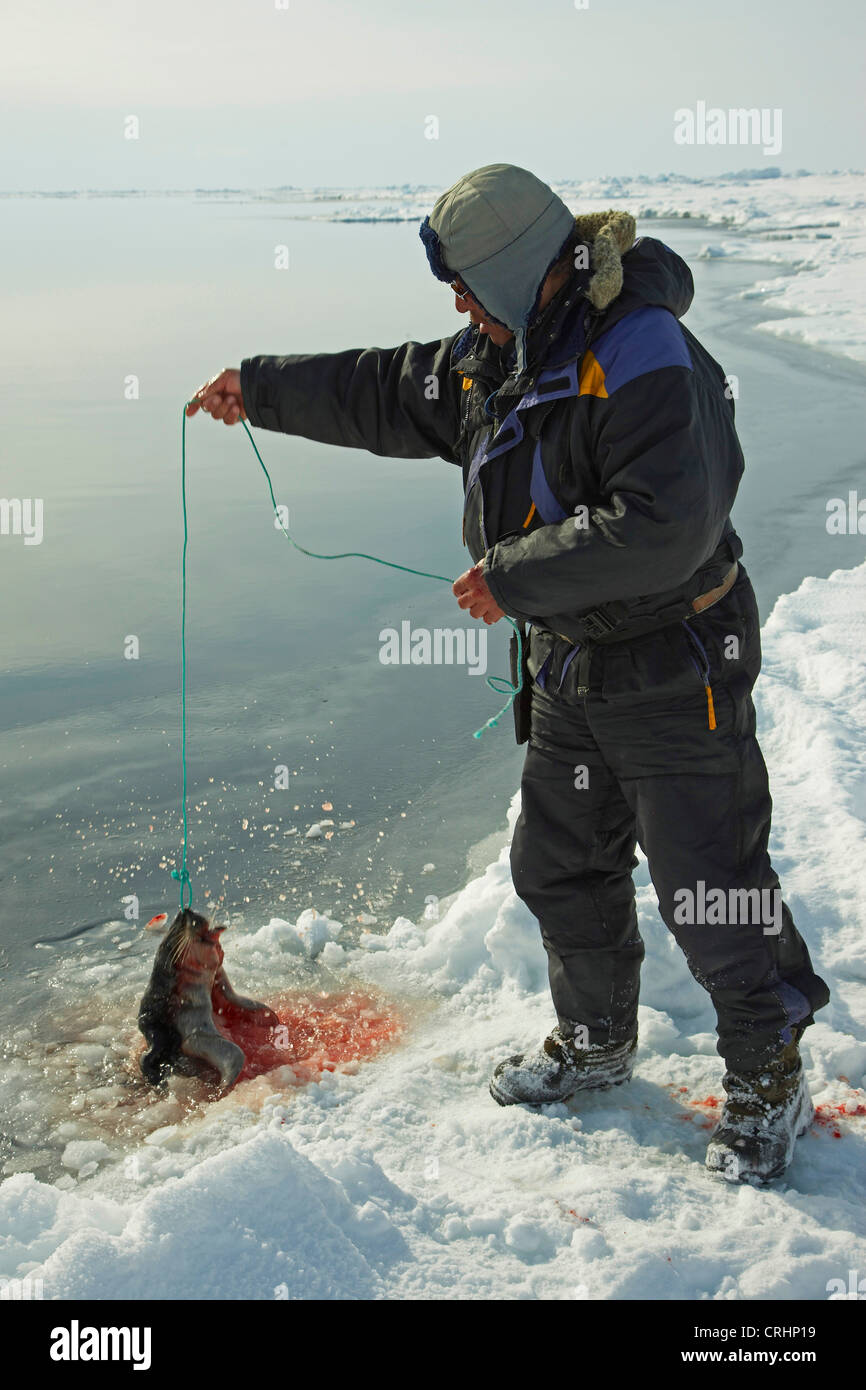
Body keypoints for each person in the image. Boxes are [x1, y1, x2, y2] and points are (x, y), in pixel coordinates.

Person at [187, 162, 829, 1184]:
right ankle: (594, 1044)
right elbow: (387, 388)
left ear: (526, 268)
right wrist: (258, 388)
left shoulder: (642, 352)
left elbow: (664, 526)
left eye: (465, 281)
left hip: (675, 661)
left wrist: (511, 575)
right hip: (571, 662)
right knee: (558, 865)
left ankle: (765, 1079)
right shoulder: (502, 351)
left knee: (710, 886)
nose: (452, 303)